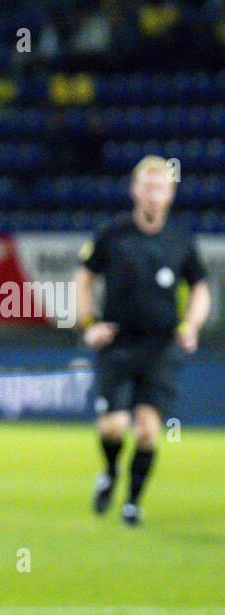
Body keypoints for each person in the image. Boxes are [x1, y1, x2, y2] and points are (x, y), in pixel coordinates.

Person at [75, 155, 211, 526]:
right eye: (148, 188)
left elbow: (200, 287)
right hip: (116, 344)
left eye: (162, 188)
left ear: (171, 194)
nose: (154, 195)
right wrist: (88, 323)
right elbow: (83, 279)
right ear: (135, 191)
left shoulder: (180, 240)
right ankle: (109, 472)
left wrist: (192, 324)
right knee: (113, 426)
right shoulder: (112, 234)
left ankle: (132, 502)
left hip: (161, 348)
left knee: (149, 430)